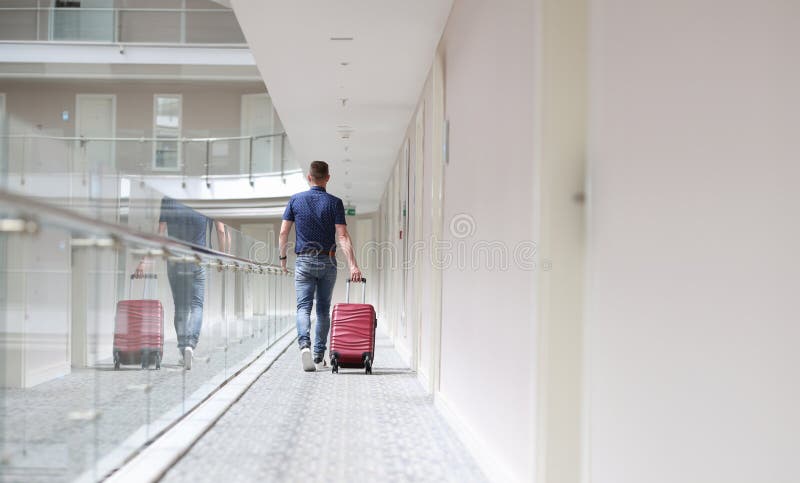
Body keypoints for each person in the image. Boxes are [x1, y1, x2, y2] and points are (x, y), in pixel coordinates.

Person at [279, 160, 362, 372]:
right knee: (323, 310)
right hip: (328, 260)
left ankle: (304, 345)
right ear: (328, 178)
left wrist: (283, 259)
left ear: (309, 177)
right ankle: (318, 356)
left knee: (303, 308)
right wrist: (353, 265)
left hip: (304, 261)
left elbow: (283, 232)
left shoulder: (295, 200)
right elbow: (342, 235)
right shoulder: (335, 202)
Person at [137, 197, 227, 370]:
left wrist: (145, 260)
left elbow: (160, 233)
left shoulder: (168, 199)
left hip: (175, 259)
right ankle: (190, 345)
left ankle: (182, 348)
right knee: (196, 304)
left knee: (180, 306)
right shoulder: (208, 198)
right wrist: (221, 258)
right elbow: (221, 230)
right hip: (198, 259)